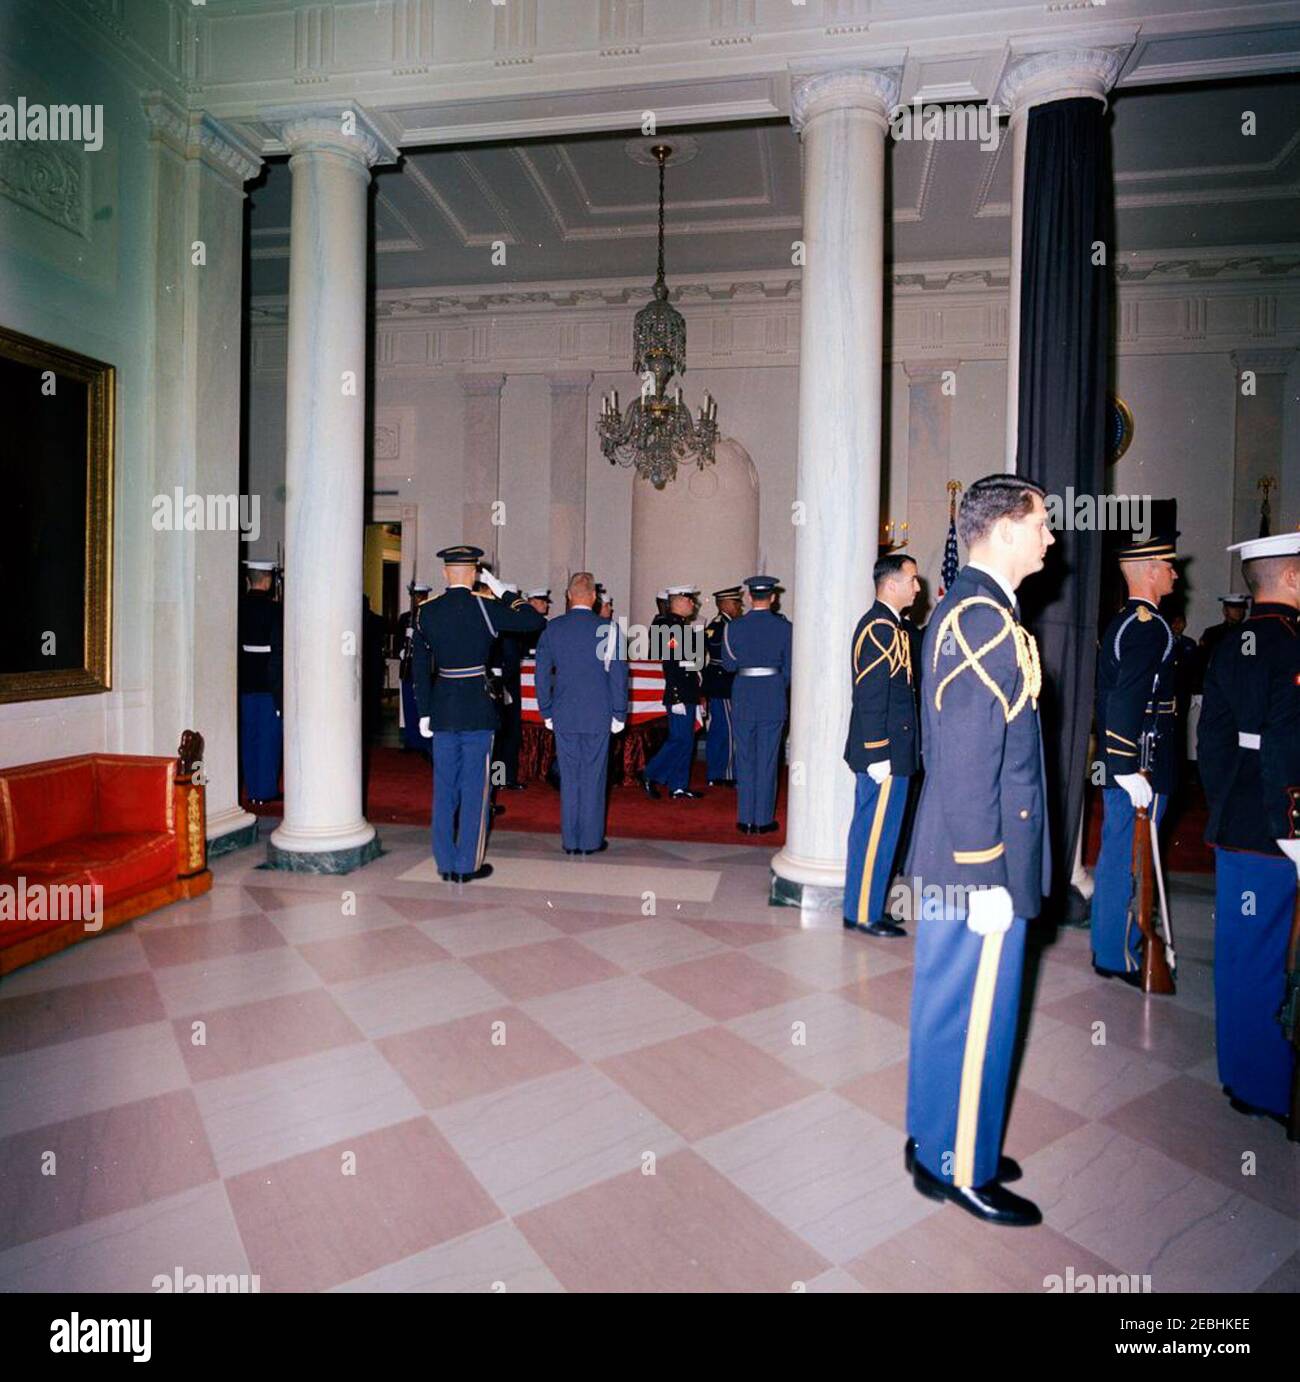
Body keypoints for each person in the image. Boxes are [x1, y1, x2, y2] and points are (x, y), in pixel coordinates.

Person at [904, 473, 1053, 1227]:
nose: (1050, 538)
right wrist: (988, 873)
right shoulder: (985, 620)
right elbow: (967, 762)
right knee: (976, 1014)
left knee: (946, 1007)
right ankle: (962, 1163)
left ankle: (937, 1140)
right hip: (977, 859)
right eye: (1040, 525)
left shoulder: (979, 610)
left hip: (957, 852)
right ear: (1000, 532)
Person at [1198, 531, 1300, 1127]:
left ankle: (1239, 1073)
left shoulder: (1229, 643)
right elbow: (1288, 743)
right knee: (1269, 955)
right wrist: (1291, 826)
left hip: (1236, 815)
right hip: (1277, 826)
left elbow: (1212, 739)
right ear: (1288, 579)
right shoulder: (1290, 646)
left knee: (1240, 953)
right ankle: (1265, 1086)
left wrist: (1223, 800)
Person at [413, 545, 546, 883]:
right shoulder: (486, 607)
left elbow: (418, 667)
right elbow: (533, 620)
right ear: (474, 574)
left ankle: (444, 862)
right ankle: (465, 865)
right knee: (475, 788)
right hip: (476, 708)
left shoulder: (426, 612)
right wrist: (502, 590)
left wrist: (424, 711)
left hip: (442, 707)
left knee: (444, 788)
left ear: (445, 573)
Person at [1091, 520, 1181, 983]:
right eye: (1168, 565)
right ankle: (1118, 954)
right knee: (1131, 859)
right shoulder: (1149, 627)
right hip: (1142, 764)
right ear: (1148, 572)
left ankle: (1109, 945)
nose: (1175, 574)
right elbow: (1127, 699)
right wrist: (1129, 770)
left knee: (1119, 852)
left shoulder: (1125, 622)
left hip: (1130, 762)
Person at [843, 554, 920, 937]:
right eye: (912, 580)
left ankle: (864, 904)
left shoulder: (893, 626)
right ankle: (862, 913)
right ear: (891, 585)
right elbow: (870, 696)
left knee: (879, 831)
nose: (918, 587)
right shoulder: (879, 629)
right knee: (875, 832)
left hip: (891, 750)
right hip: (884, 753)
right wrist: (877, 753)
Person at [533, 572, 629, 854]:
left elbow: (540, 674)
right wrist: (619, 713)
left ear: (568, 595)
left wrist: (546, 709)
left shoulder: (553, 628)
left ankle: (570, 841)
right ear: (594, 598)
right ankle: (589, 841)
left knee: (570, 777)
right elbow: (619, 677)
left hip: (564, 713)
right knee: (594, 777)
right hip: (598, 713)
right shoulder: (608, 630)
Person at [721, 575, 792, 833]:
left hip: (744, 696)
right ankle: (762, 821)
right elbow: (790, 669)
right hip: (772, 696)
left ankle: (745, 819)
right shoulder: (785, 628)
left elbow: (729, 664)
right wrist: (774, 683)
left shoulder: (734, 628)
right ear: (773, 598)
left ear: (750, 597)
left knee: (745, 758)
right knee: (768, 759)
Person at [639, 585, 705, 800]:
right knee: (678, 739)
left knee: (686, 741)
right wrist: (676, 695)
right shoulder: (667, 627)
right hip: (679, 693)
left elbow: (690, 664)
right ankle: (650, 773)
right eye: (690, 600)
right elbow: (671, 664)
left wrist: (697, 693)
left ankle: (678, 785)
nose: (693, 604)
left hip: (688, 691)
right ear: (679, 602)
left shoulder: (681, 627)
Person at [238, 559, 283, 805]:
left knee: (249, 736)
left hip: (245, 683)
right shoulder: (276, 610)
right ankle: (265, 791)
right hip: (268, 685)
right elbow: (279, 653)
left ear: (249, 580)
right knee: (268, 739)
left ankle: (252, 788)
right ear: (267, 581)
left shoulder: (239, 607)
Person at [703, 586, 743, 787]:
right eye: (736, 603)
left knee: (720, 728)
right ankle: (725, 774)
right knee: (727, 729)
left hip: (720, 681)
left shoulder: (719, 624)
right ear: (725, 604)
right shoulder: (723, 626)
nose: (739, 607)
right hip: (724, 682)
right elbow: (724, 656)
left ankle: (715, 771)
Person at [397, 583, 433, 755]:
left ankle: (424, 739)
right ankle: (411, 739)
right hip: (408, 666)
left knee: (422, 703)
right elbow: (397, 640)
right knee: (408, 703)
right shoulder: (405, 618)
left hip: (424, 666)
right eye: (415, 596)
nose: (417, 599)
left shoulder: (429, 616)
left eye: (421, 596)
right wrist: (402, 649)